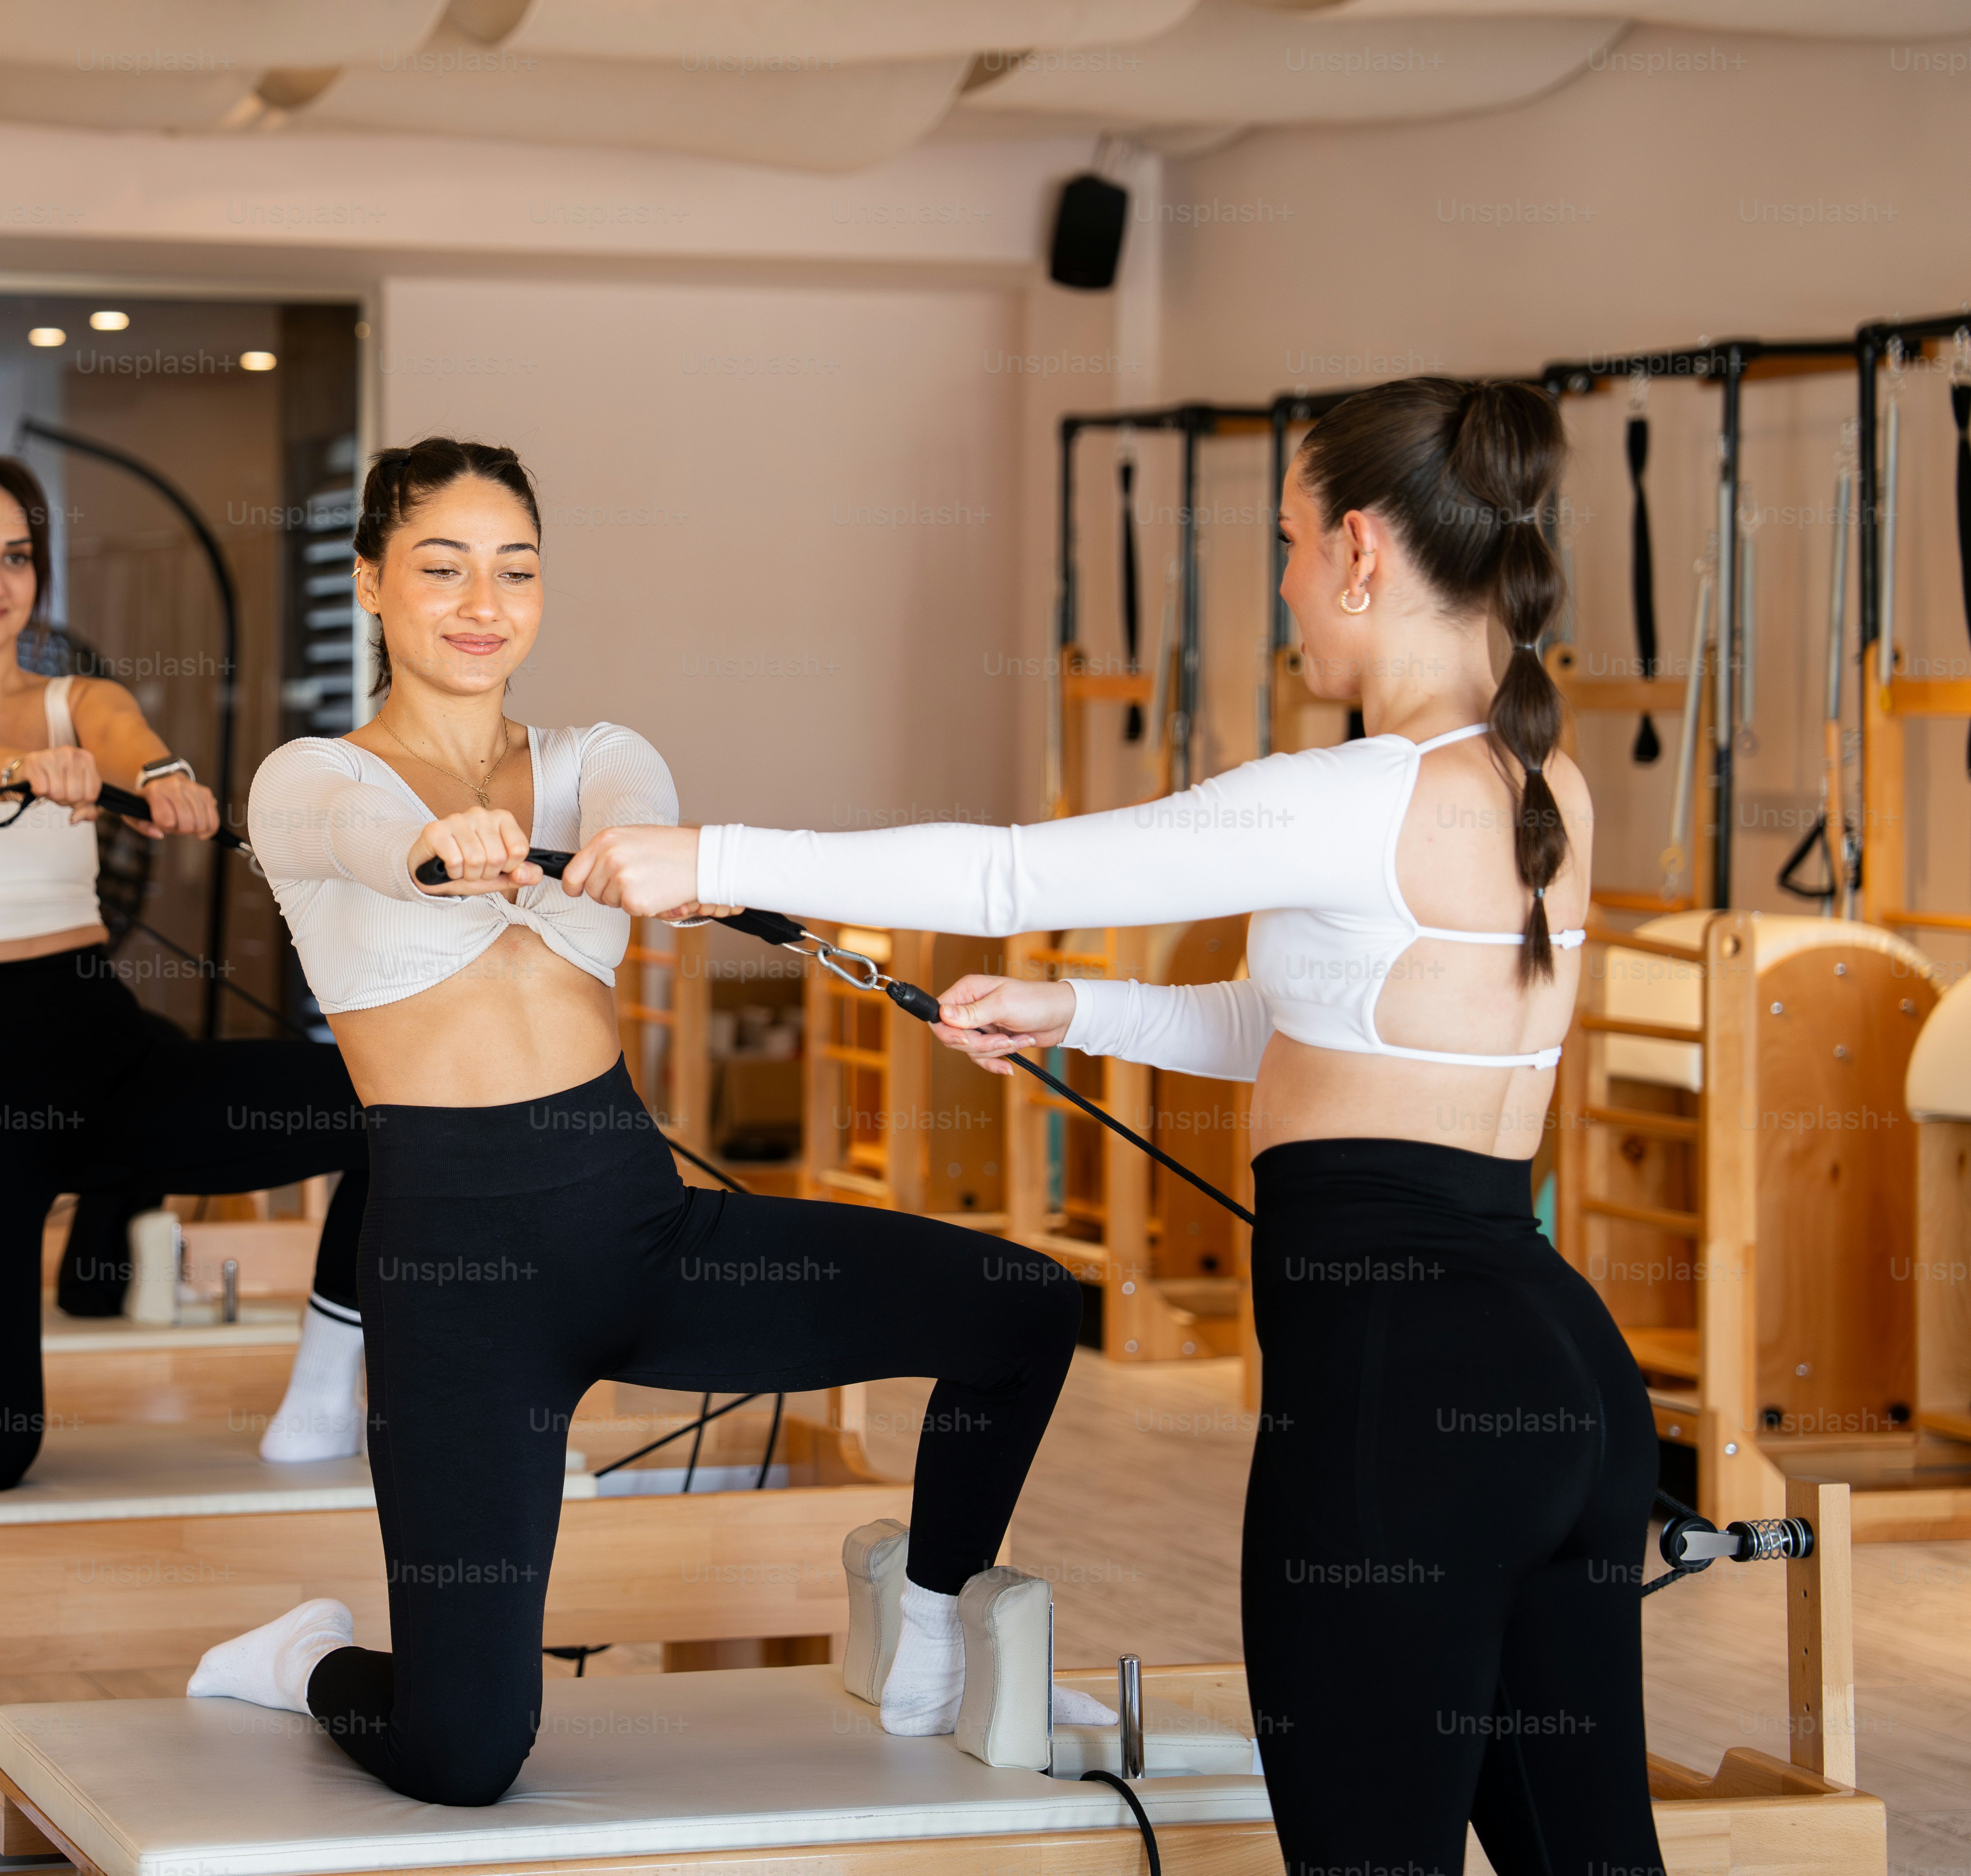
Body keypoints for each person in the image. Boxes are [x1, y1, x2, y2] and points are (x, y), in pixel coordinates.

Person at [574, 380, 1651, 1875]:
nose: (1280, 584)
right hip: (1565, 1375)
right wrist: (1081, 1011)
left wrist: (713, 854)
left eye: (1284, 541)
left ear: (1357, 550)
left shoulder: (1347, 793)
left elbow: (1015, 871)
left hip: (1402, 1402)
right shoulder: (1546, 785)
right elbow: (1315, 1032)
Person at [188, 437, 1082, 1807]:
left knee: (1018, 1307)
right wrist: (441, 846)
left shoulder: (597, 755)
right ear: (370, 581)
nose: (483, 600)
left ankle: (933, 1614)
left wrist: (653, 854)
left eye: (516, 568)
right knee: (462, 1753)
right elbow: (358, 837)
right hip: (457, 1289)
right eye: (441, 566)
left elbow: (633, 812)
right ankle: (307, 1657)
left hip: (637, 1230)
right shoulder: (309, 776)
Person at [0, 438, 375, 1484]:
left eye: (17, 556)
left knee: (392, 1100)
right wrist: (19, 767)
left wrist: (163, 774)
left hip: (96, 1044)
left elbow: (126, 732)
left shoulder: (75, 700)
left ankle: (322, 1389)